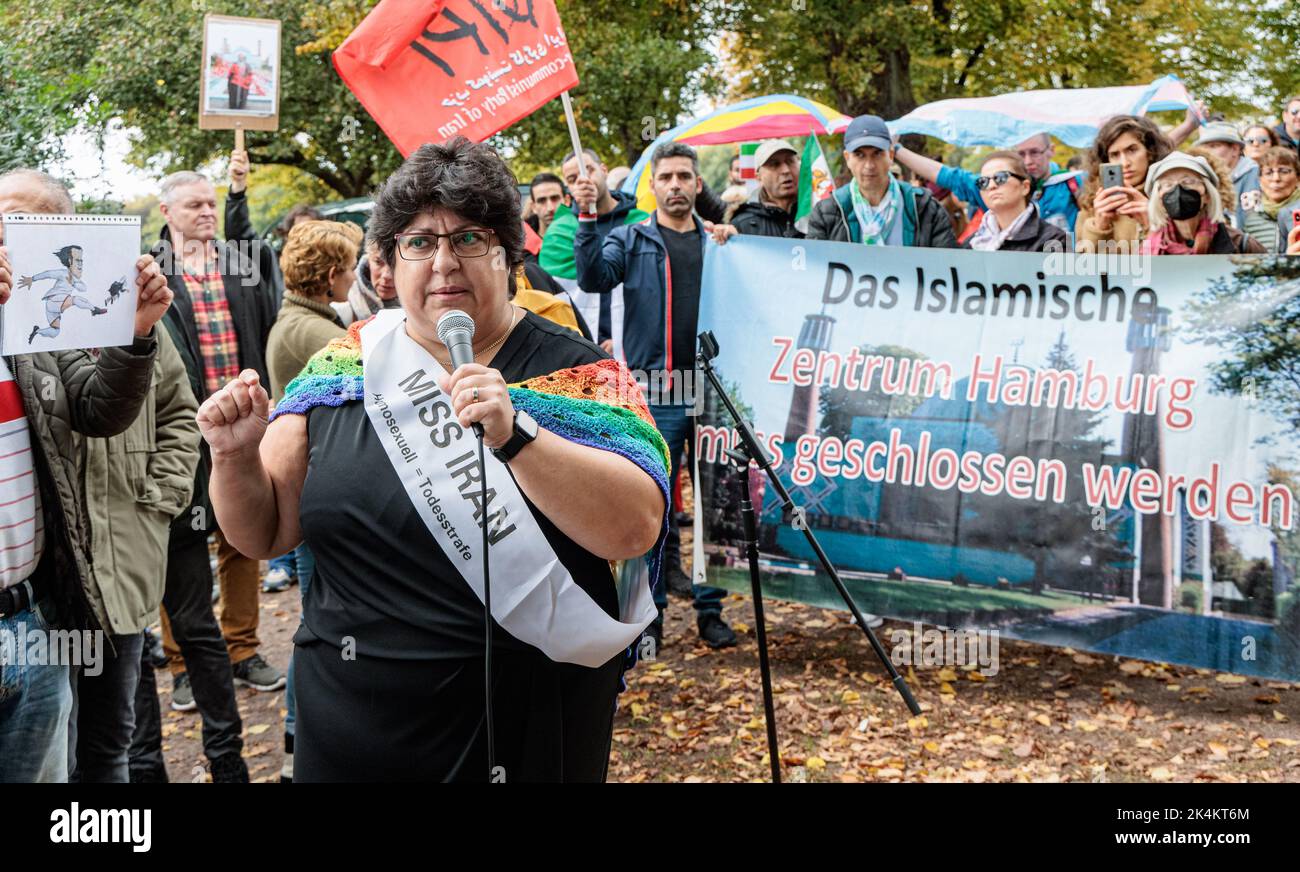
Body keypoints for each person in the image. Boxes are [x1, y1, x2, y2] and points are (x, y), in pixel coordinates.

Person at [198, 137, 669, 782]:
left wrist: (519, 439)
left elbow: (635, 527)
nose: (444, 261)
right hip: (353, 714)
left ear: (510, 254)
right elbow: (264, 532)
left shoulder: (579, 371)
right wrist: (232, 456)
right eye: (419, 242)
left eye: (469, 238)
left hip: (519, 715)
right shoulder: (342, 365)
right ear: (388, 265)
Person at [0, 168, 172, 783]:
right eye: (2, 219)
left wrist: (136, 332)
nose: (7, 237)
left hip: (32, 620)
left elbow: (100, 411)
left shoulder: (40, 331)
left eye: (25, 226)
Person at [575, 141, 738, 650]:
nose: (674, 185)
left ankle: (711, 610)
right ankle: (650, 616)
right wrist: (585, 212)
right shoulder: (631, 238)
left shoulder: (720, 245)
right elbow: (592, 277)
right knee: (653, 506)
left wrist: (732, 234)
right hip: (658, 393)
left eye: (684, 176)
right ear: (653, 186)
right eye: (665, 176)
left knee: (715, 508)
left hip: (713, 394)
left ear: (696, 184)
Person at [152, 169, 285, 697]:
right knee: (178, 543)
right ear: (166, 213)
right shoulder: (148, 274)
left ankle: (243, 649)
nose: (206, 213)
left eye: (211, 205)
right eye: (193, 207)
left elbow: (268, 328)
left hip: (242, 423)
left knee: (242, 538)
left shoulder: (240, 266)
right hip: (181, 431)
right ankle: (183, 661)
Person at [72, 316, 199, 783]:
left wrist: (161, 499)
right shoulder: (24, 318)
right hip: (47, 582)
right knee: (49, 749)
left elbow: (179, 411)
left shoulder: (134, 312)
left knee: (109, 744)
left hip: (122, 562)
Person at [540, 148, 650, 354]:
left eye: (588, 170)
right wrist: (591, 342)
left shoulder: (643, 221)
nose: (583, 181)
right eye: (572, 179)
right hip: (586, 349)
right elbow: (557, 300)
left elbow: (651, 287)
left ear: (604, 170)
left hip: (637, 347)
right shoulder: (558, 232)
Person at [805, 115, 958, 247]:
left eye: (877, 154)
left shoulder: (925, 208)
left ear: (891, 155)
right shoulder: (826, 212)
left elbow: (948, 265)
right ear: (847, 159)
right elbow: (815, 270)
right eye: (859, 155)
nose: (869, 165)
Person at [895, 131, 1083, 232]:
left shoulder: (1074, 183)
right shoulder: (996, 186)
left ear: (1051, 150)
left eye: (1034, 152)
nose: (1027, 161)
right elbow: (948, 176)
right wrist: (896, 150)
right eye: (1021, 154)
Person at [1074, 115, 1174, 253]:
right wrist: (1099, 228)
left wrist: (1153, 223)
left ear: (1150, 152)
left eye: (1132, 150)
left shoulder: (1171, 195)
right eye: (1115, 155)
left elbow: (1184, 261)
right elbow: (1083, 269)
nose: (1124, 163)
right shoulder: (1092, 204)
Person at [1140, 151, 1266, 255]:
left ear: (1207, 195)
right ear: (1159, 198)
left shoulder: (1241, 245)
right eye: (1168, 184)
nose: (1178, 190)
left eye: (1188, 181)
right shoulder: (1147, 252)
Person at [961, 152, 1069, 252]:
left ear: (1025, 187)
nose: (991, 186)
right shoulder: (972, 244)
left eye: (1000, 177)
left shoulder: (1055, 240)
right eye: (983, 182)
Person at [729, 139, 804, 238]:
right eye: (775, 164)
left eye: (790, 161)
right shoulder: (743, 226)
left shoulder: (818, 213)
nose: (786, 170)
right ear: (758, 177)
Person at [1196, 122, 1261, 227]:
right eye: (1204, 147)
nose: (1206, 152)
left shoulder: (1256, 175)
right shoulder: (1203, 178)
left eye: (1214, 146)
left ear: (1235, 149)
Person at [1242, 147, 1300, 252]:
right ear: (1260, 180)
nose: (1276, 178)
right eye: (1269, 172)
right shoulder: (1251, 221)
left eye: (1284, 171)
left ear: (1298, 177)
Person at [525, 172, 568, 237]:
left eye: (555, 198)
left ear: (566, 201)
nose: (550, 208)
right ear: (533, 207)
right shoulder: (521, 244)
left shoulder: (583, 237)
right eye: (541, 200)